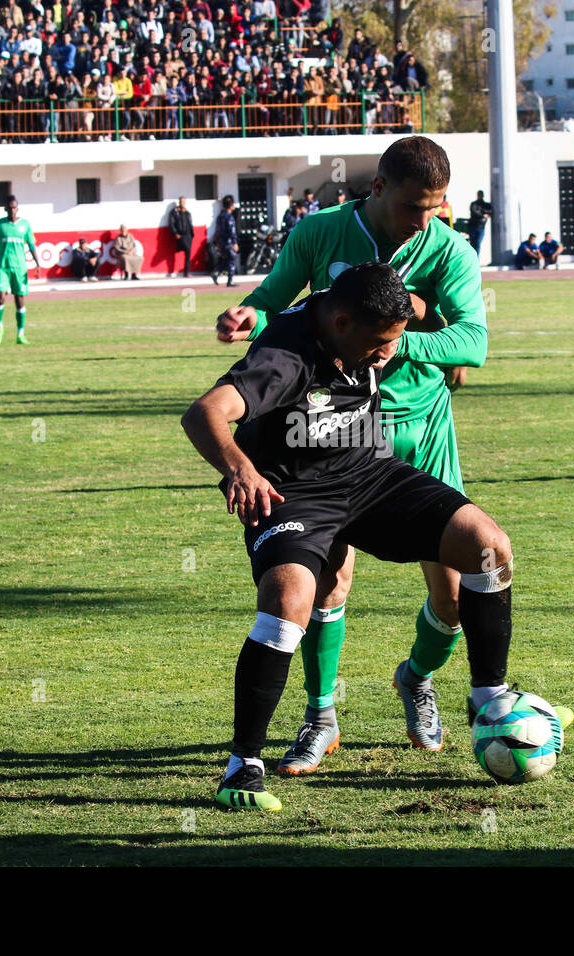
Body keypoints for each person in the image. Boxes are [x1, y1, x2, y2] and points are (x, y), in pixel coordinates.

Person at [184, 262, 521, 812]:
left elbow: (410, 308)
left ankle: (489, 699)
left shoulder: (374, 312)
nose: (388, 354)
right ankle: (243, 765)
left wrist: (416, 326)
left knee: (489, 545)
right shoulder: (285, 357)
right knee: (289, 601)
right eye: (378, 344)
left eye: (395, 340)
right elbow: (205, 414)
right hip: (294, 493)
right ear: (340, 323)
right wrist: (243, 471)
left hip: (369, 472)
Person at [213, 136, 487, 773]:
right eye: (417, 206)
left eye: (436, 206)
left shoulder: (449, 249)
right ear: (378, 190)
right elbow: (277, 296)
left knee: (451, 597)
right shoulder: (320, 234)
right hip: (338, 431)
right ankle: (321, 714)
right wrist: (247, 314)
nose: (427, 219)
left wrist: (405, 342)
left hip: (419, 429)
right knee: (329, 575)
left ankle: (415, 676)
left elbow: (472, 340)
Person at [0, 194, 41, 345]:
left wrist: (38, 264)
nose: (12, 210)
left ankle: (20, 334)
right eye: (10, 208)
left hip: (20, 268)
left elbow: (31, 245)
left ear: (18, 208)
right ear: (5, 208)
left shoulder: (25, 225)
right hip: (2, 267)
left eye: (14, 207)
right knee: (0, 297)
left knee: (19, 301)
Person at [211, 194, 240, 287]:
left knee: (226, 260)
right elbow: (232, 231)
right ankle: (230, 280)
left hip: (222, 242)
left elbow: (218, 230)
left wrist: (218, 242)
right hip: (229, 242)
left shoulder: (220, 216)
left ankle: (216, 273)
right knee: (232, 260)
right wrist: (235, 242)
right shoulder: (229, 217)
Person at [168, 196, 195, 277]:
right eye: (181, 201)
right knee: (186, 249)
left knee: (188, 253)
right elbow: (171, 223)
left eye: (183, 201)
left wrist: (192, 234)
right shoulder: (175, 212)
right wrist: (175, 233)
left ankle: (186, 272)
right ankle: (184, 272)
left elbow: (190, 223)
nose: (182, 203)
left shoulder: (187, 212)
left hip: (188, 235)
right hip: (181, 235)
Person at [467, 190, 491, 254]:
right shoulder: (474, 204)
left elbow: (490, 211)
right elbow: (474, 212)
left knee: (478, 243)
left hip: (481, 227)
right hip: (473, 226)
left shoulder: (486, 205)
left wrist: (482, 212)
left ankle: (476, 259)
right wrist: (483, 214)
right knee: (472, 244)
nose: (479, 196)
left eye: (481, 195)